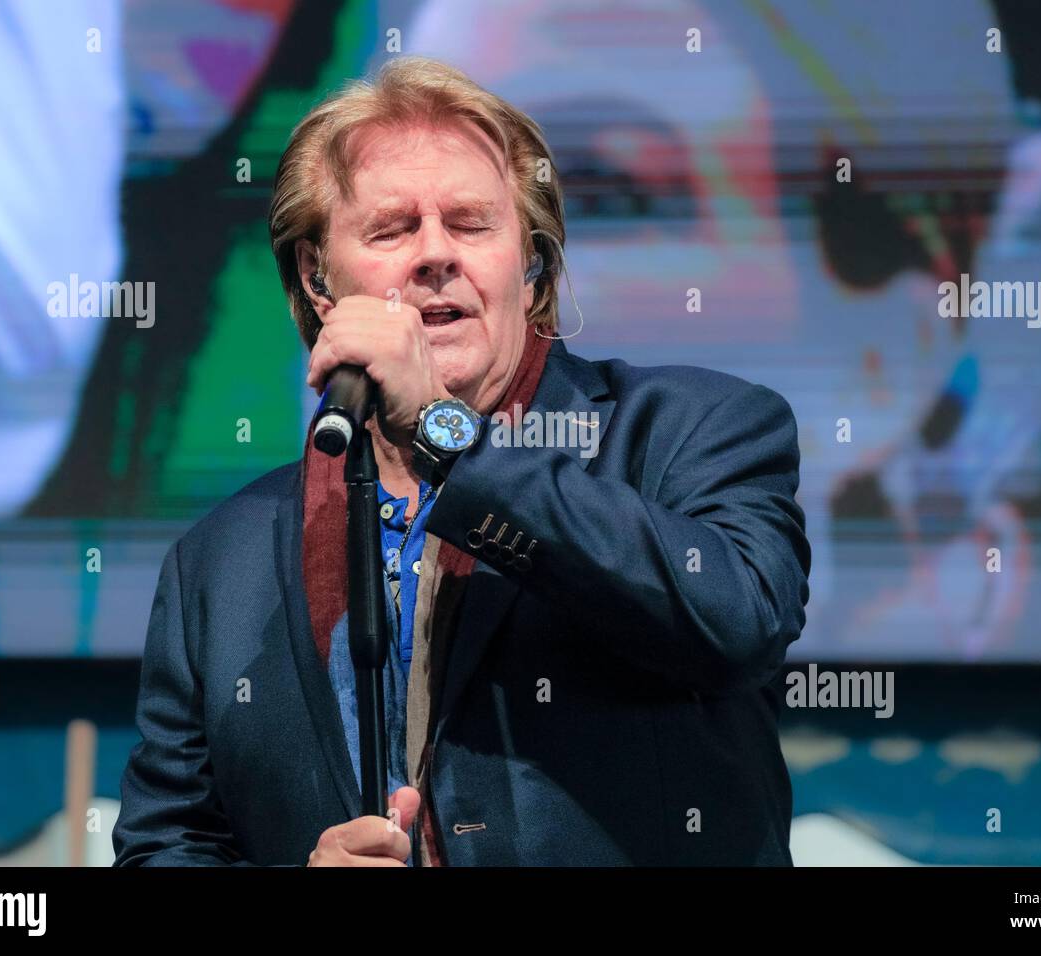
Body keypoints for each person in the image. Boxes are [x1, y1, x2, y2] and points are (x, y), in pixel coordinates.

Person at [112, 56, 810, 866]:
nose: (434, 255)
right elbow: (166, 845)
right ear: (317, 276)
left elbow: (739, 622)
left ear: (533, 262)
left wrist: (445, 434)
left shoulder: (694, 428)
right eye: (391, 228)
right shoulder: (219, 561)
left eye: (473, 224)